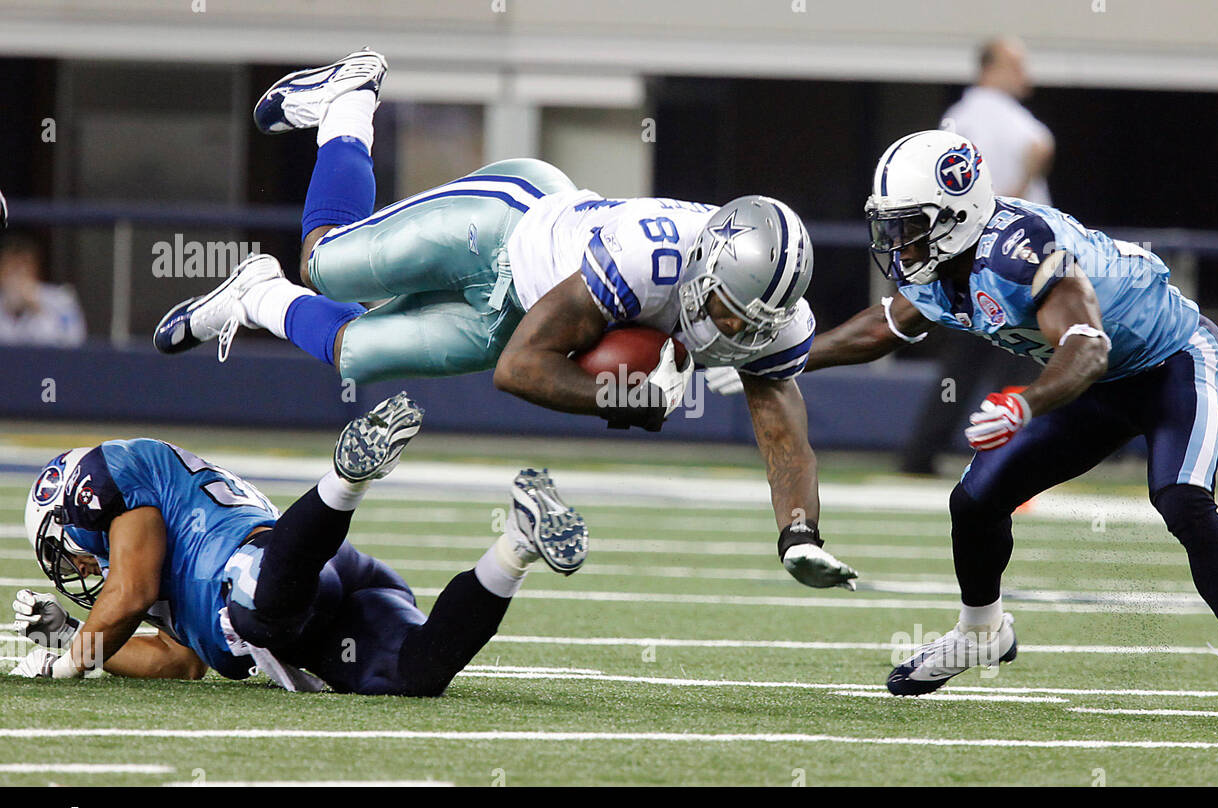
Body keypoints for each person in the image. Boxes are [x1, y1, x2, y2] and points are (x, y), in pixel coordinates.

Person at [152, 49, 857, 592]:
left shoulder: (777, 318)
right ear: (706, 269)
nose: (733, 333)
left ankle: (253, 295)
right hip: (502, 223)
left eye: (752, 325)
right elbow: (520, 368)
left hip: (522, 303)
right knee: (327, 265)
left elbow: (781, 422)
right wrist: (627, 400)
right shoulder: (651, 256)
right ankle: (349, 101)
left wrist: (799, 534)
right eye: (728, 311)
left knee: (352, 352)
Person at [804, 129, 1218, 728]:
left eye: (910, 224)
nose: (897, 242)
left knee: (1182, 499)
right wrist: (789, 355)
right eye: (893, 225)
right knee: (975, 500)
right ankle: (980, 631)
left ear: (956, 214)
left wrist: (1025, 405)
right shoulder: (941, 262)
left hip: (1173, 359)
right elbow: (886, 325)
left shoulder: (1021, 249)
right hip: (1093, 384)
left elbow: (1086, 346)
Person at [11, 392, 589, 696]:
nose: (81, 567)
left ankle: (347, 476)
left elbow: (130, 590)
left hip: (270, 572)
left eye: (68, 552)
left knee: (254, 610)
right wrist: (70, 636)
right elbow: (176, 663)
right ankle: (519, 540)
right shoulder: (160, 567)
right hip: (315, 595)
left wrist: (70, 662)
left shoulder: (108, 472)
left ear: (73, 504)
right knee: (411, 674)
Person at [898, 36, 1052, 474]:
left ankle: (922, 454)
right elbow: (1038, 148)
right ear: (992, 66)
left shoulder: (959, 118)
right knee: (1020, 360)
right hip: (1012, 260)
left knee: (966, 365)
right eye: (1017, 66)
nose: (1027, 76)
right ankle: (1012, 456)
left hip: (968, 259)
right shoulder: (1000, 120)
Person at [0, 233, 87, 347]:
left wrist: (37, 310)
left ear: (36, 268)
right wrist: (8, 311)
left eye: (23, 267)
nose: (17, 275)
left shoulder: (61, 298)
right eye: (11, 267)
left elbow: (75, 341)